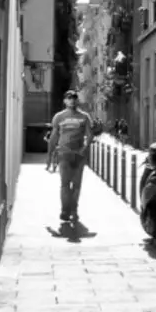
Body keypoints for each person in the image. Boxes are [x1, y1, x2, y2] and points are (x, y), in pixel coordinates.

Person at [48, 90, 93, 222]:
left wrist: (85, 148)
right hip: (64, 154)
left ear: (77, 100)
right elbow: (53, 137)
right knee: (65, 184)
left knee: (77, 184)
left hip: (79, 155)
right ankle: (65, 210)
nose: (72, 100)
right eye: (69, 98)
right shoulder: (59, 117)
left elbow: (90, 135)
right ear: (65, 101)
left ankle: (74, 209)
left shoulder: (84, 117)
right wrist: (49, 156)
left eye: (74, 98)